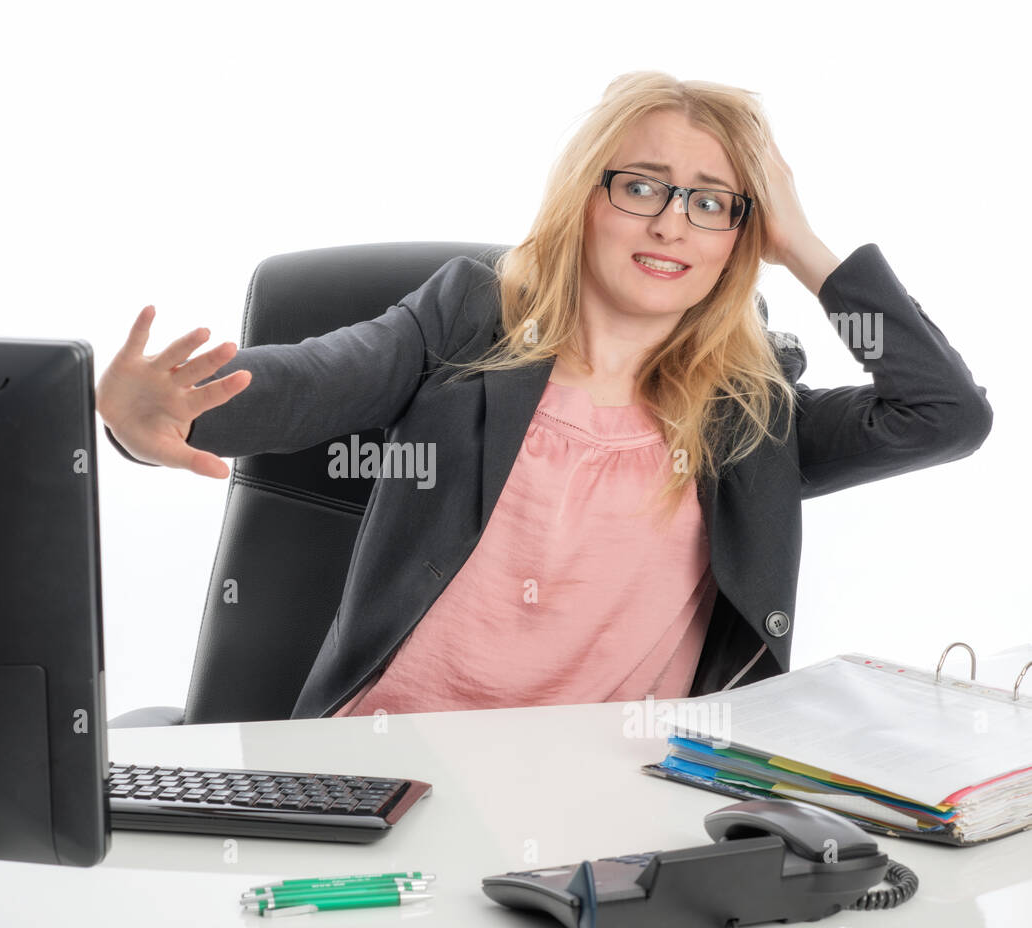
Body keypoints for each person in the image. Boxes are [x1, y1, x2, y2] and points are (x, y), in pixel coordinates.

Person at [96, 70, 993, 718]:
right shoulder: (465, 319)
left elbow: (943, 413)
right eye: (641, 186)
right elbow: (321, 376)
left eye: (714, 202)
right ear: (584, 200)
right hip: (394, 769)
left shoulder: (749, 419)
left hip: (618, 801)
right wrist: (172, 409)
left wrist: (806, 249)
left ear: (740, 238)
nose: (672, 220)